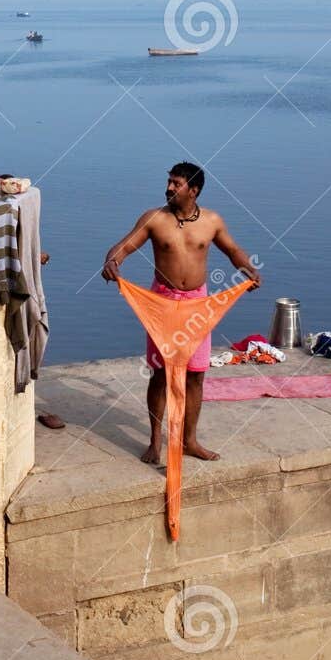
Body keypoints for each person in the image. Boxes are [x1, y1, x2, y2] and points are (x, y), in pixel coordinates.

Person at [101, 161, 260, 463]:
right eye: (169, 182)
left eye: (177, 183)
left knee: (196, 375)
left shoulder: (211, 221)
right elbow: (122, 247)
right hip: (161, 303)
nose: (169, 187)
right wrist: (112, 262)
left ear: (194, 190)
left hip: (198, 305)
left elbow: (233, 250)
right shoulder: (155, 219)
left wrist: (247, 269)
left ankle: (189, 440)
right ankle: (154, 441)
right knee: (160, 373)